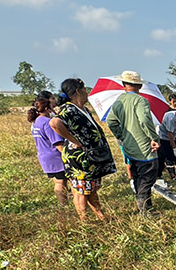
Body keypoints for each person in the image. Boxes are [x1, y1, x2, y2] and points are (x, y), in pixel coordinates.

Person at [49, 78, 116, 221]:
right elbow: (54, 123)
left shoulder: (82, 109)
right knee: (81, 191)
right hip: (79, 158)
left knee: (89, 188)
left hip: (90, 157)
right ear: (78, 91)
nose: (87, 93)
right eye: (85, 89)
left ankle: (101, 216)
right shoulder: (69, 109)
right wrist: (74, 140)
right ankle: (84, 220)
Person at [106, 70, 160, 214]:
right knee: (148, 176)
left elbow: (111, 121)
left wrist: (121, 135)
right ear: (139, 86)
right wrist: (154, 138)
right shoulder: (140, 101)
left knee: (137, 176)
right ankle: (144, 209)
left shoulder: (119, 102)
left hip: (129, 146)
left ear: (124, 85)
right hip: (144, 147)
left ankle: (144, 205)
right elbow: (144, 120)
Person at [28, 94, 68, 206]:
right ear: (47, 108)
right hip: (55, 156)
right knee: (61, 182)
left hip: (44, 156)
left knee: (58, 180)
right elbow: (57, 142)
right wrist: (68, 155)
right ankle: (64, 205)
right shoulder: (47, 122)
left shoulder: (36, 122)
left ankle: (64, 203)